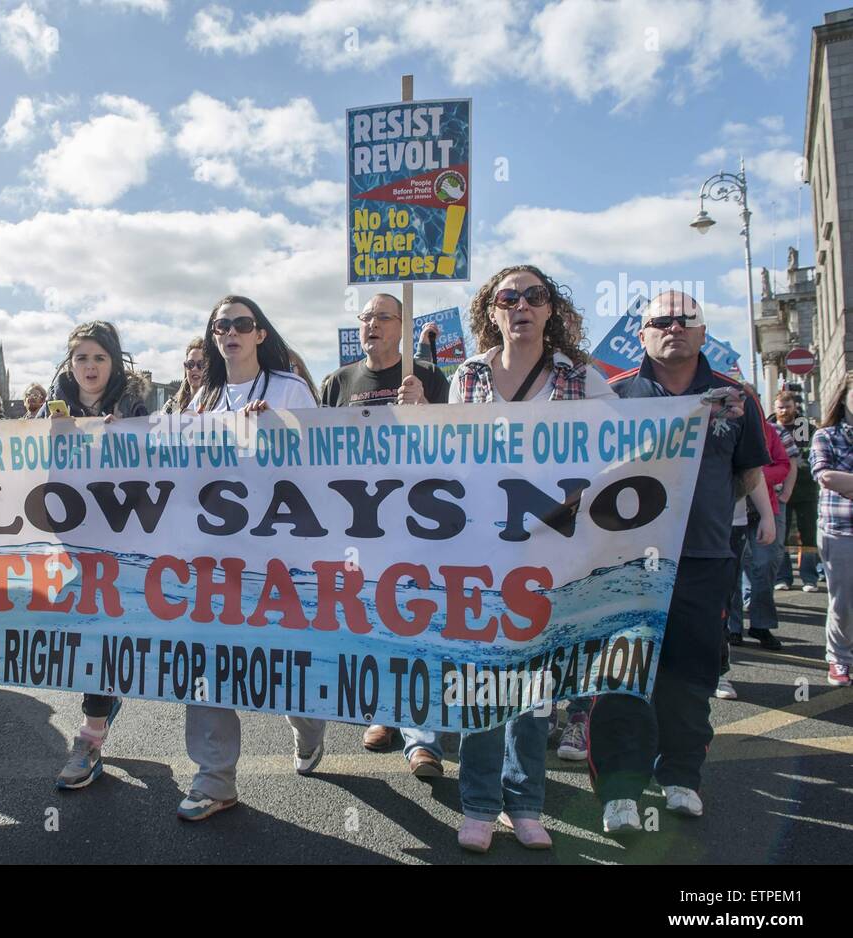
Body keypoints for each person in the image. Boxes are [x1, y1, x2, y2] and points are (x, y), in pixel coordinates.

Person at [440, 265, 615, 853]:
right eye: (508, 297)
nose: (521, 306)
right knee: (483, 677)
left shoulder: (581, 378)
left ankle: (526, 803)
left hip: (552, 552)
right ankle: (479, 804)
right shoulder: (468, 376)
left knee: (535, 683)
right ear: (491, 312)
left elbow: (627, 441)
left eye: (533, 296)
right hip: (480, 549)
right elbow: (446, 456)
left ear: (550, 310)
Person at [590, 291, 769, 834]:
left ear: (702, 332)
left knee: (691, 676)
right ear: (642, 334)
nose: (673, 328)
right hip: (625, 561)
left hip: (704, 557)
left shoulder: (736, 398)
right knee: (620, 675)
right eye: (661, 321)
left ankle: (682, 776)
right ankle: (619, 789)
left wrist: (761, 517)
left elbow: (747, 471)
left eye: (685, 320)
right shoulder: (614, 395)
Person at [178, 295, 322, 822]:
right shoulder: (202, 398)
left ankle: (308, 725)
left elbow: (324, 461)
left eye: (242, 323)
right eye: (222, 325)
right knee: (207, 658)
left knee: (287, 661)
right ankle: (214, 778)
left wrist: (279, 432)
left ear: (260, 333)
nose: (231, 332)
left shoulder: (289, 389)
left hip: (280, 552)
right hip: (215, 554)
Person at [320, 293, 449, 778]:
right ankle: (382, 713)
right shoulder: (338, 382)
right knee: (372, 619)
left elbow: (455, 446)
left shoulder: (429, 376)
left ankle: (423, 736)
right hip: (359, 524)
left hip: (418, 522)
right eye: (366, 316)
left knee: (418, 619)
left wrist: (425, 409)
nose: (372, 324)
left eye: (383, 317)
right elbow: (317, 451)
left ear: (403, 326)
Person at [39, 321, 148, 789]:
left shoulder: (135, 407)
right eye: (81, 357)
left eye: (100, 357)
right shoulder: (51, 408)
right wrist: (48, 435)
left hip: (121, 539)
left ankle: (89, 735)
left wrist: (132, 439)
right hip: (69, 538)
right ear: (70, 364)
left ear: (113, 362)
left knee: (100, 632)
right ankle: (100, 712)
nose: (90, 366)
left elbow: (160, 470)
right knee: (83, 632)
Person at [725, 398, 789, 656]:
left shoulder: (769, 431)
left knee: (764, 566)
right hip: (731, 514)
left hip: (760, 509)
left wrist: (755, 480)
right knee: (732, 574)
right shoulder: (719, 425)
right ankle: (733, 627)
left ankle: (761, 625)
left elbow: (780, 465)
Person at [811, 373, 853, 686]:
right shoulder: (826, 436)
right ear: (844, 398)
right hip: (840, 529)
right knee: (844, 600)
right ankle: (839, 657)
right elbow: (825, 476)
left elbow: (840, 480)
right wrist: (839, 481)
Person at [772, 389, 821, 592]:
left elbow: (814, 455)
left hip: (805, 491)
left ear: (795, 407)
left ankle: (809, 578)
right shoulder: (768, 427)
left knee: (808, 534)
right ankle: (782, 577)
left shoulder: (806, 429)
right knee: (780, 536)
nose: (784, 411)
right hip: (777, 490)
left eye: (788, 407)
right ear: (774, 408)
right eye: (780, 407)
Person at [161, 338, 206, 413]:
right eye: (190, 364)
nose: (195, 368)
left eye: (201, 364)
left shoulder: (217, 404)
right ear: (185, 367)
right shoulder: (171, 406)